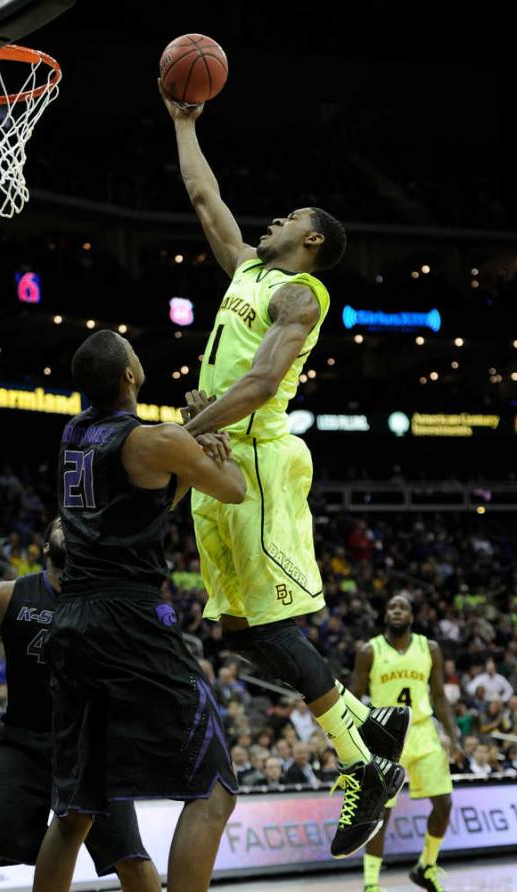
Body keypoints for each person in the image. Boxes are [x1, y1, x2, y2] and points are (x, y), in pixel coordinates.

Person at [158, 80, 408, 857]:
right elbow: (205, 198)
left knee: (268, 623)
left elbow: (263, 384)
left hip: (254, 460)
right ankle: (366, 723)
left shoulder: (303, 293)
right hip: (216, 453)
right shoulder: (246, 272)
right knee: (233, 629)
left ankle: (363, 763)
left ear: (311, 243)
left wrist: (184, 429)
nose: (273, 220)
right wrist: (184, 122)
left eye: (290, 219)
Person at [33, 330, 246, 892]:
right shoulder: (155, 440)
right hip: (128, 620)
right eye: (134, 349)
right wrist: (213, 440)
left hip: (73, 618)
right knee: (215, 785)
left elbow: (147, 498)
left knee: (76, 810)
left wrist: (187, 446)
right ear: (129, 375)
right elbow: (234, 489)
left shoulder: (74, 431)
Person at [0, 517, 161, 892]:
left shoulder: (108, 602)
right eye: (62, 524)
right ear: (47, 547)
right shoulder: (6, 595)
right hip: (22, 744)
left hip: (89, 747)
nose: (70, 525)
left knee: (131, 858)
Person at [352, 594, 464, 892]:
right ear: (385, 615)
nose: (397, 611)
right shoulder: (369, 651)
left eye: (403, 607)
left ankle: (425, 867)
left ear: (412, 616)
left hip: (423, 731)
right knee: (380, 812)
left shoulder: (430, 648)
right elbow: (352, 698)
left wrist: (454, 736)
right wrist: (352, 740)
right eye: (392, 607)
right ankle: (371, 884)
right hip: (386, 735)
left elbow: (439, 695)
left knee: (444, 803)